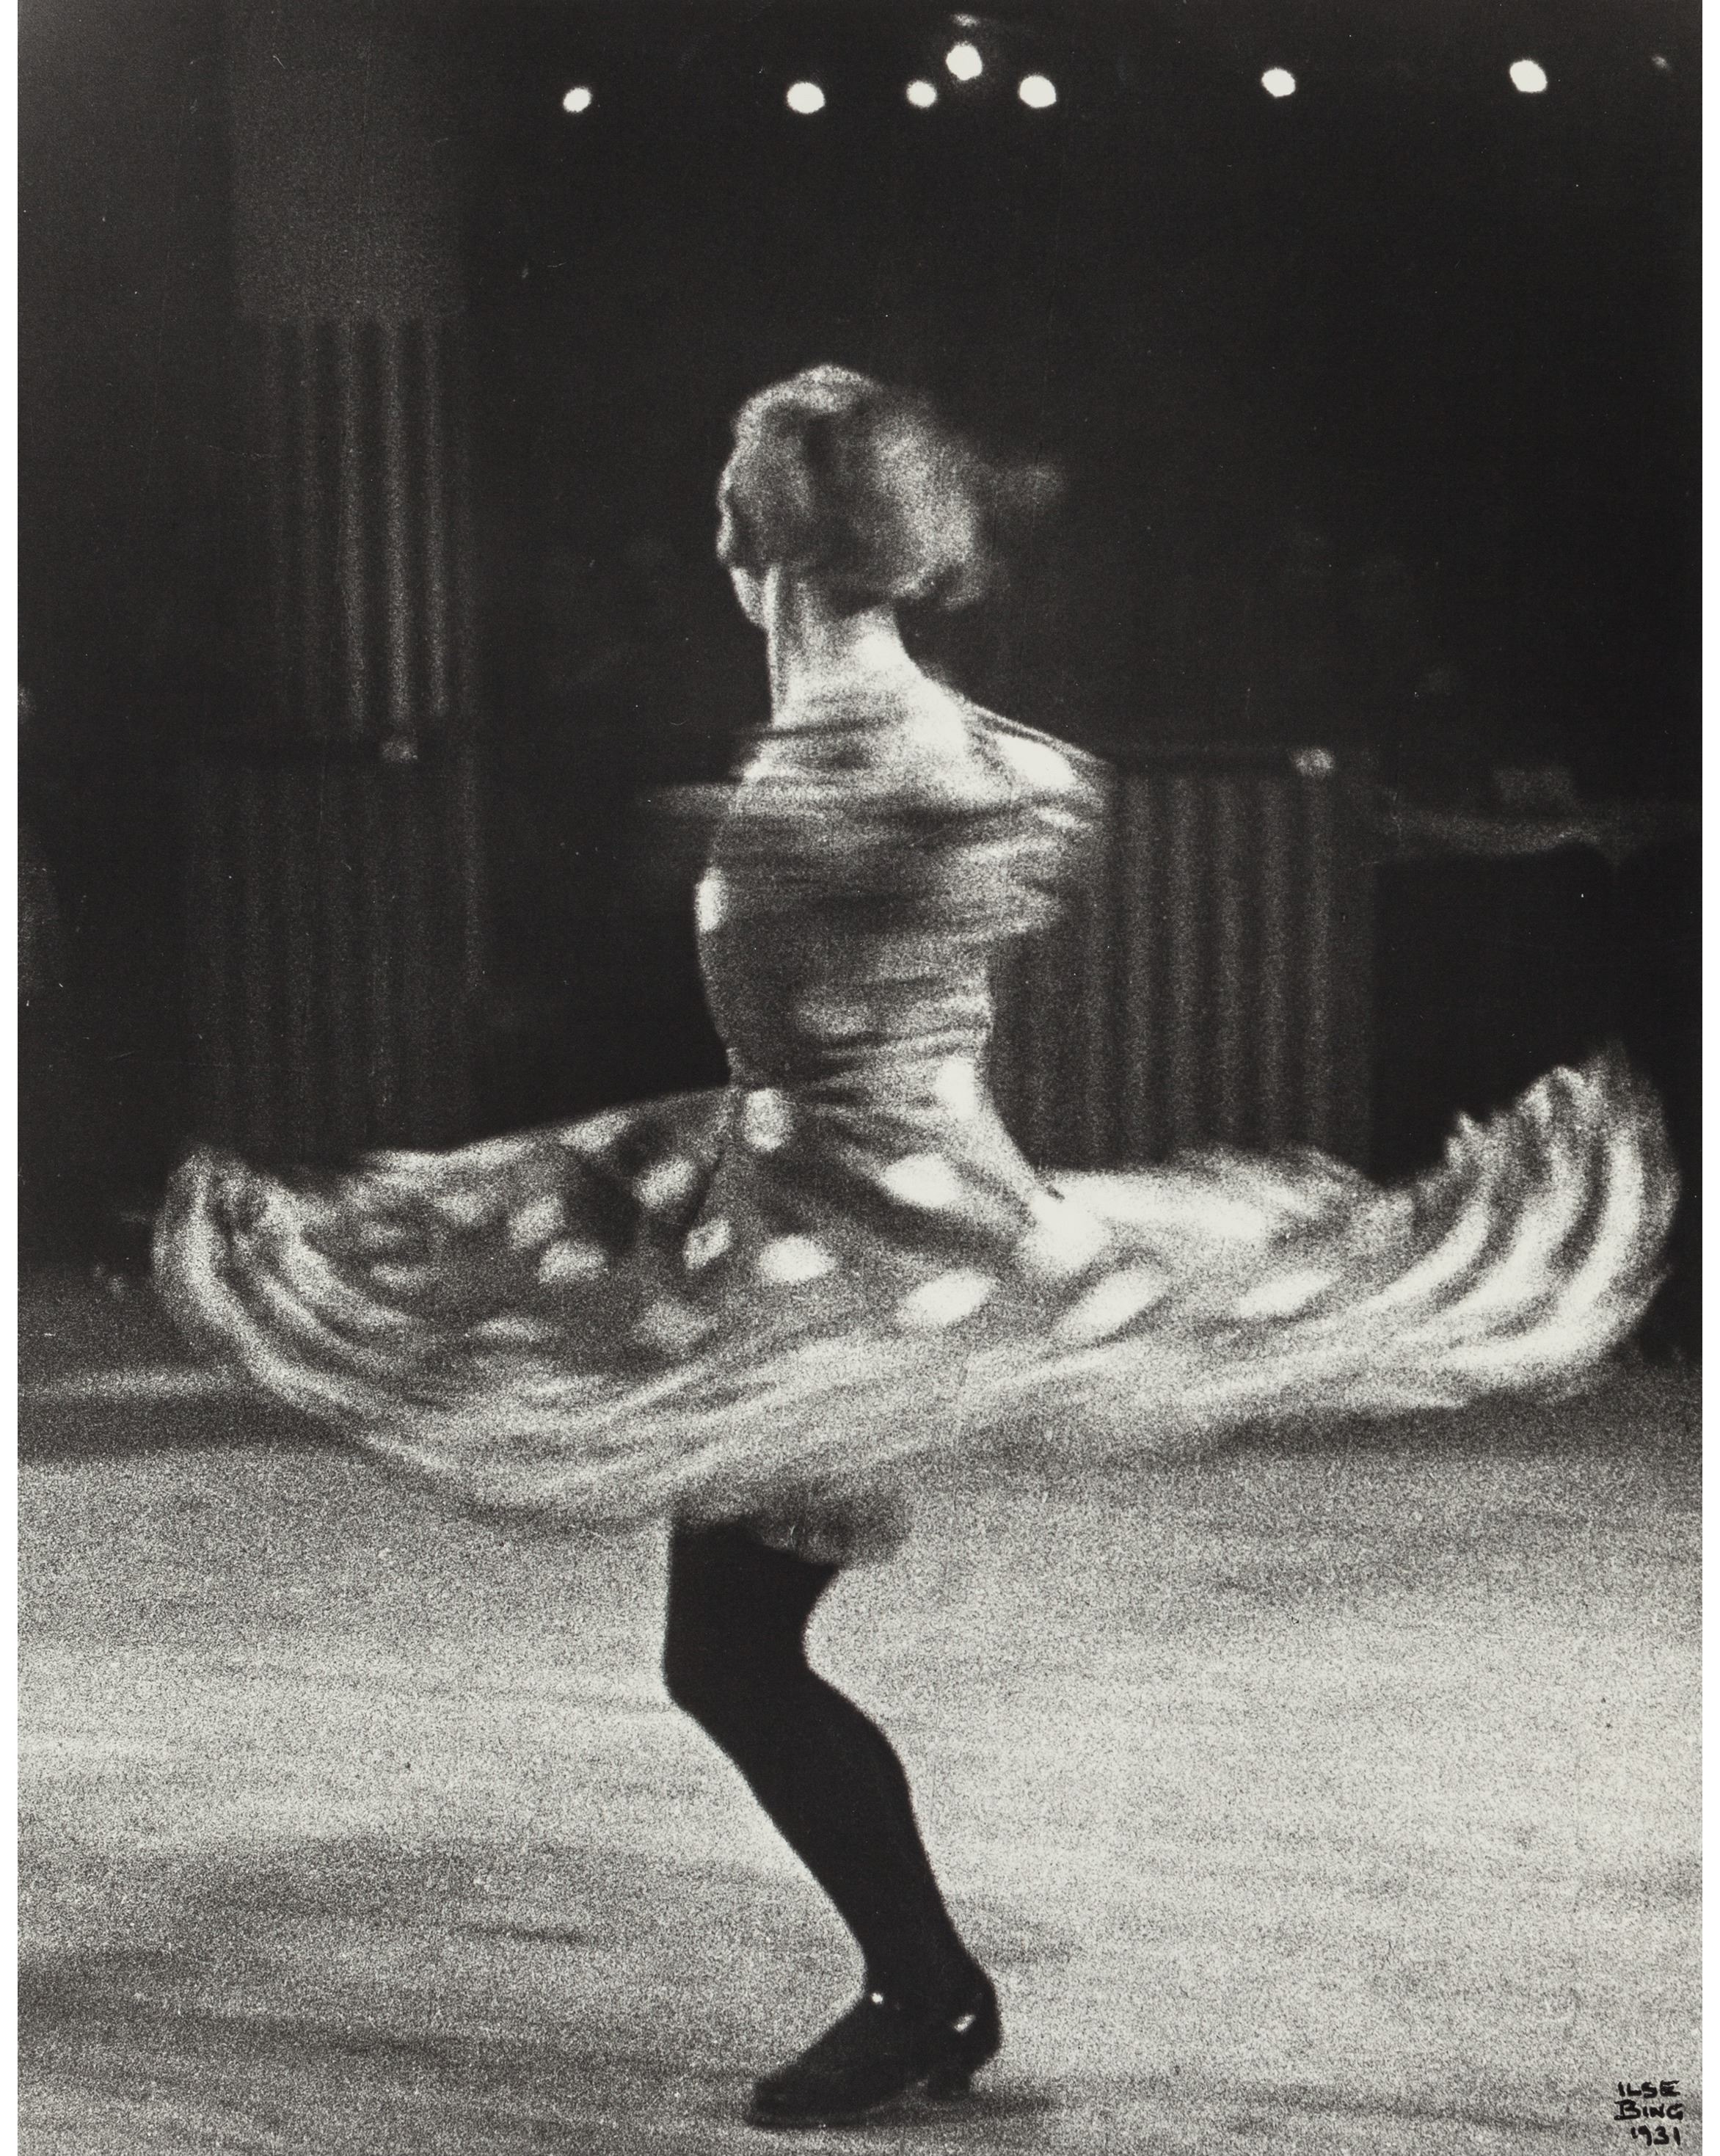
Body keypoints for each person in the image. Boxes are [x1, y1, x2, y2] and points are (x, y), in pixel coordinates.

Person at [156, 366, 1675, 2131]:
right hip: (803, 1200)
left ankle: (927, 1991)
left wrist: (797, 849)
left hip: (854, 1244)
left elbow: (940, 865)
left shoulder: (865, 750)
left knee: (725, 1657)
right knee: (727, 1652)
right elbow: (987, 836)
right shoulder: (883, 739)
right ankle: (925, 1985)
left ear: (742, 538)